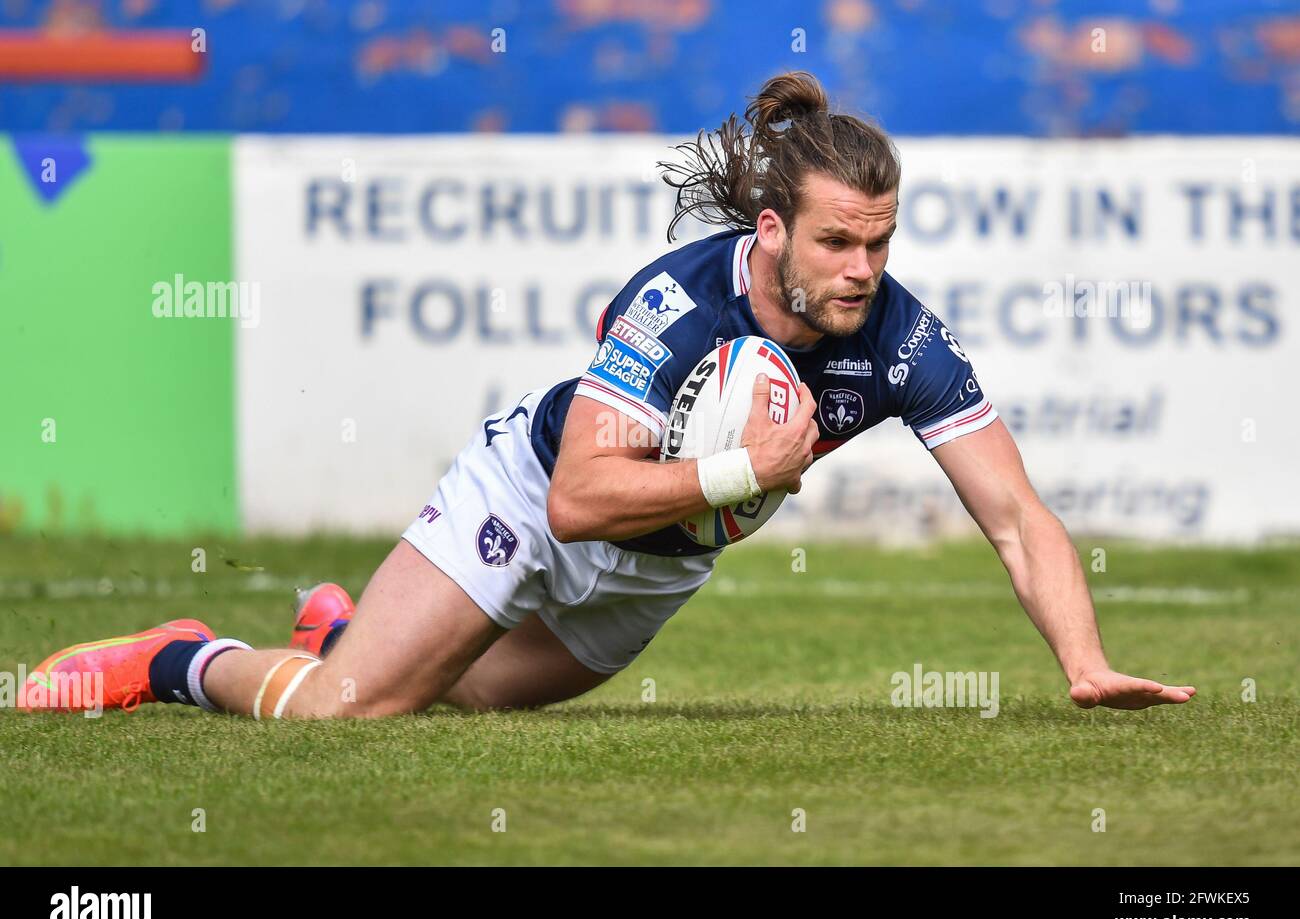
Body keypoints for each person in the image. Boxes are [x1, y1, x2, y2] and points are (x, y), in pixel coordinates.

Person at [21, 72, 1195, 718]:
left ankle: (342, 624)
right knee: (343, 715)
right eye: (839, 242)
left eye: (881, 243)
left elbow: (1015, 514)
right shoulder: (675, 301)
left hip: (651, 576)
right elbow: (581, 498)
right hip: (530, 498)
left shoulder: (897, 336)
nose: (863, 270)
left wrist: (1080, 661)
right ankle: (174, 654)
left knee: (446, 708)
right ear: (773, 227)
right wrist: (753, 471)